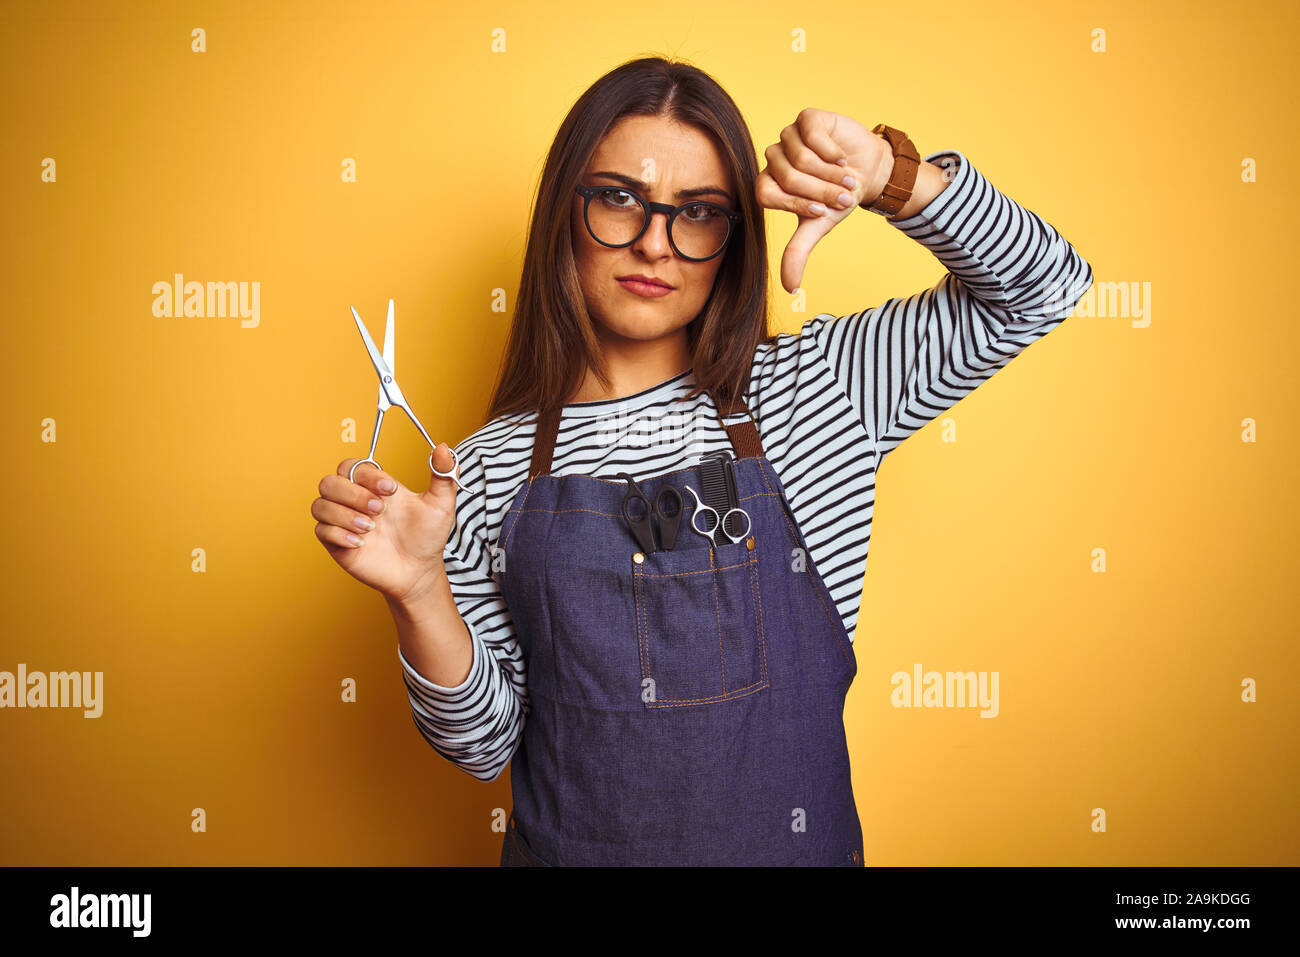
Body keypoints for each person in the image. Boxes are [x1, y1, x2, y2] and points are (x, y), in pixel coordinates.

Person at [311, 56, 1093, 866]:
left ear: (735, 235)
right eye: (619, 198)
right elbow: (481, 747)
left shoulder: (818, 393)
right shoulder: (479, 473)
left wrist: (890, 173)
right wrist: (419, 590)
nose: (655, 243)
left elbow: (1046, 287)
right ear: (561, 213)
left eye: (699, 213)